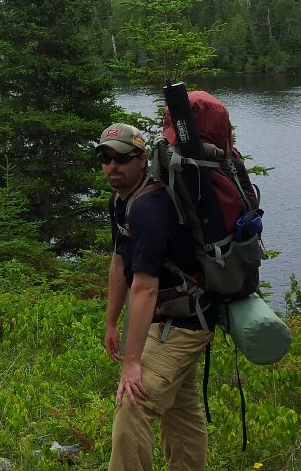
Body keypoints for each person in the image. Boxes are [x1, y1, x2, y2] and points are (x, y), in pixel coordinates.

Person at [98, 123, 215, 471]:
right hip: (173, 316)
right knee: (181, 410)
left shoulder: (149, 208)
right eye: (104, 158)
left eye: (120, 158)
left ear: (142, 159)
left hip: (184, 321)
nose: (112, 167)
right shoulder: (121, 200)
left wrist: (132, 363)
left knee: (134, 404)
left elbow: (145, 287)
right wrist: (111, 321)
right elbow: (120, 261)